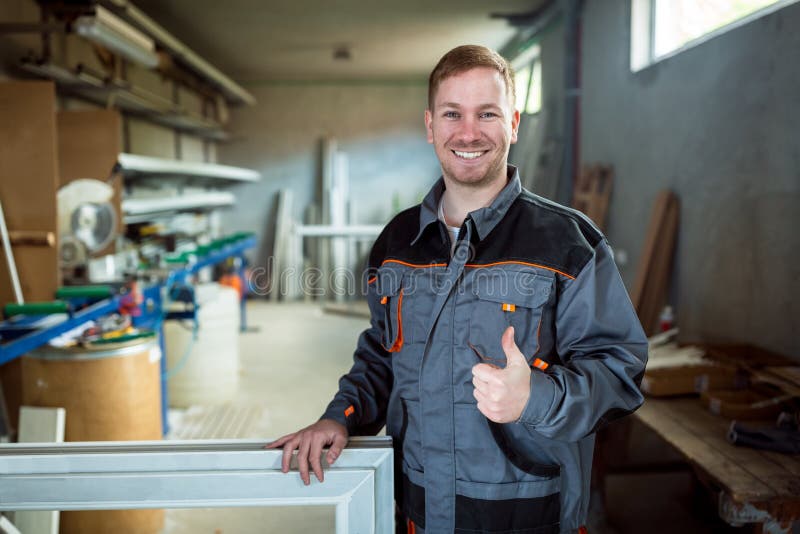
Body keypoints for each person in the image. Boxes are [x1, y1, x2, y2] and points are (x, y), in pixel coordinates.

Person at [268, 44, 648, 534]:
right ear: (431, 125)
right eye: (453, 114)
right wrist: (340, 416)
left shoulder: (568, 243)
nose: (468, 132)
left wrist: (536, 397)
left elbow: (619, 372)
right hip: (419, 511)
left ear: (512, 123)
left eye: (486, 113)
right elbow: (384, 355)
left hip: (529, 516)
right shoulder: (397, 242)